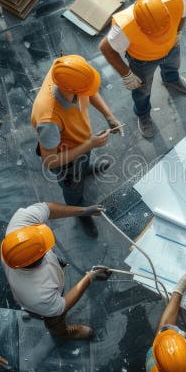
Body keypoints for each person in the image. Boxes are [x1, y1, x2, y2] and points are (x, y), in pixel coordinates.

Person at [31, 55, 122, 236]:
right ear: (71, 89)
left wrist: (108, 115)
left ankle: (85, 169)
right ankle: (80, 210)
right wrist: (90, 144)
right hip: (65, 159)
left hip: (81, 141)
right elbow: (50, 161)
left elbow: (89, 90)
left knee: (83, 162)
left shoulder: (68, 68)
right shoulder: (48, 119)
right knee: (73, 187)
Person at [1, 202, 113, 339]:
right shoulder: (39, 294)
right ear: (37, 260)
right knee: (55, 320)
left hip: (38, 286)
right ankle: (63, 334)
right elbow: (61, 306)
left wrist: (83, 210)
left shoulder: (18, 229)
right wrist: (90, 277)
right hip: (42, 306)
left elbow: (47, 209)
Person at [99, 0, 186, 139]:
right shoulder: (124, 28)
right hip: (142, 61)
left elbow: (184, 13)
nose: (159, 39)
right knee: (141, 91)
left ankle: (172, 79)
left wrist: (177, 32)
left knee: (173, 65)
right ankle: (143, 113)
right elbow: (106, 48)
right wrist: (127, 75)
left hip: (171, 47)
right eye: (155, 35)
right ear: (140, 27)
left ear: (166, 13)